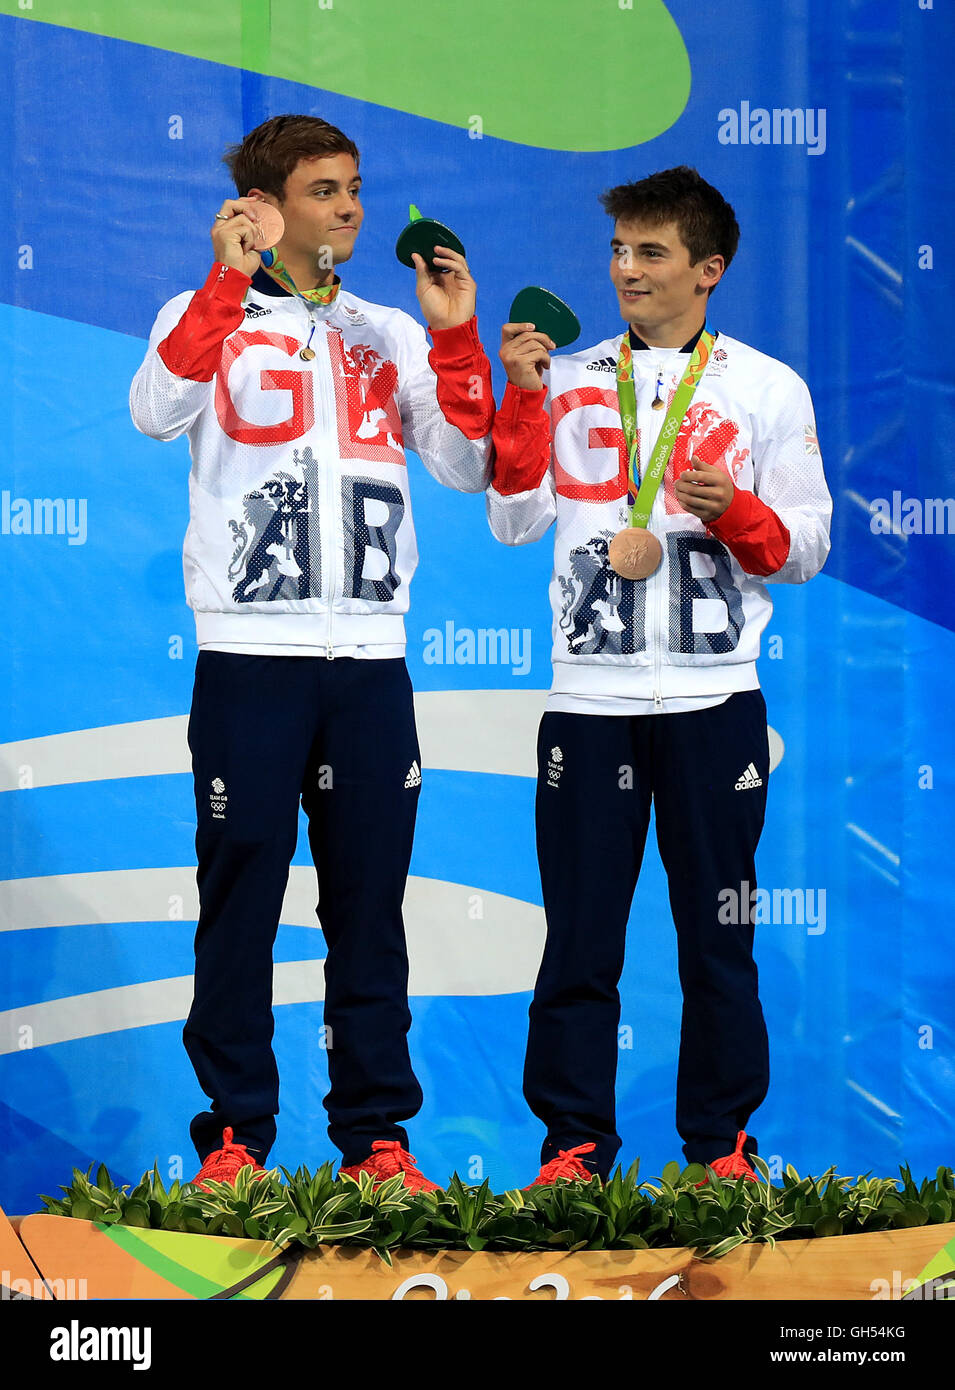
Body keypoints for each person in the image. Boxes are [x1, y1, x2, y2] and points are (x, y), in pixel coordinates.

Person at [129, 113, 494, 1192]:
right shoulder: (206, 314)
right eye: (326, 190)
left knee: (368, 907)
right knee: (239, 896)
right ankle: (235, 1135)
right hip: (251, 659)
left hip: (371, 663)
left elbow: (471, 466)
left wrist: (458, 333)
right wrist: (221, 282)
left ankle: (378, 1137)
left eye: (354, 188)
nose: (350, 209)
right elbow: (155, 410)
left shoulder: (389, 327)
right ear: (265, 205)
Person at [485, 166, 831, 1186]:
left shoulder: (766, 388)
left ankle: (721, 1148)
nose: (625, 272)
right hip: (588, 705)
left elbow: (805, 548)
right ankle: (573, 1150)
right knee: (580, 941)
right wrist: (518, 401)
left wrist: (734, 511)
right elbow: (510, 523)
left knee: (717, 940)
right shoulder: (572, 377)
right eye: (617, 252)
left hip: (712, 701)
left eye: (650, 253)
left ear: (708, 270)